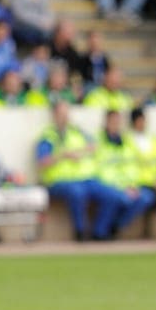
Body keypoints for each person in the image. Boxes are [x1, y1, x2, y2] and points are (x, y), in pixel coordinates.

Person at [35, 99, 122, 241]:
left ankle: (99, 232)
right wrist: (63, 155)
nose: (64, 117)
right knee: (77, 193)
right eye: (61, 114)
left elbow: (94, 146)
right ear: (54, 115)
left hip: (85, 178)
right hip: (60, 180)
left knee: (112, 194)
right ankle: (80, 232)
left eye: (66, 113)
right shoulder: (48, 136)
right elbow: (42, 162)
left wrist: (80, 152)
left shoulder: (76, 131)